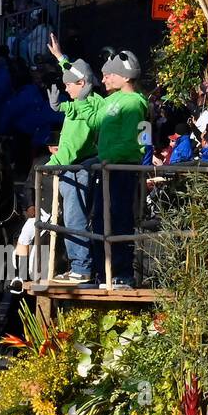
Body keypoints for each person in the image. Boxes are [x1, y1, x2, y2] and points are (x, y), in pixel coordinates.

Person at [84, 46, 148, 287]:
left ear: (124, 76)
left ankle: (122, 273)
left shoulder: (134, 103)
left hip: (121, 169)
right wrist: (83, 95)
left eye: (109, 74)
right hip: (107, 167)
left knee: (120, 218)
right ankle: (103, 271)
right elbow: (93, 120)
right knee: (100, 220)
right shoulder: (112, 101)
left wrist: (112, 157)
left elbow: (137, 141)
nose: (103, 79)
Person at [45, 55, 100, 286]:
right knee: (76, 218)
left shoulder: (83, 106)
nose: (65, 88)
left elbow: (71, 145)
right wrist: (61, 59)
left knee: (73, 218)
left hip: (74, 169)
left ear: (82, 84)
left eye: (68, 84)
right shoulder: (91, 100)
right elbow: (79, 73)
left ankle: (80, 267)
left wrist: (50, 165)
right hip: (80, 166)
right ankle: (81, 266)